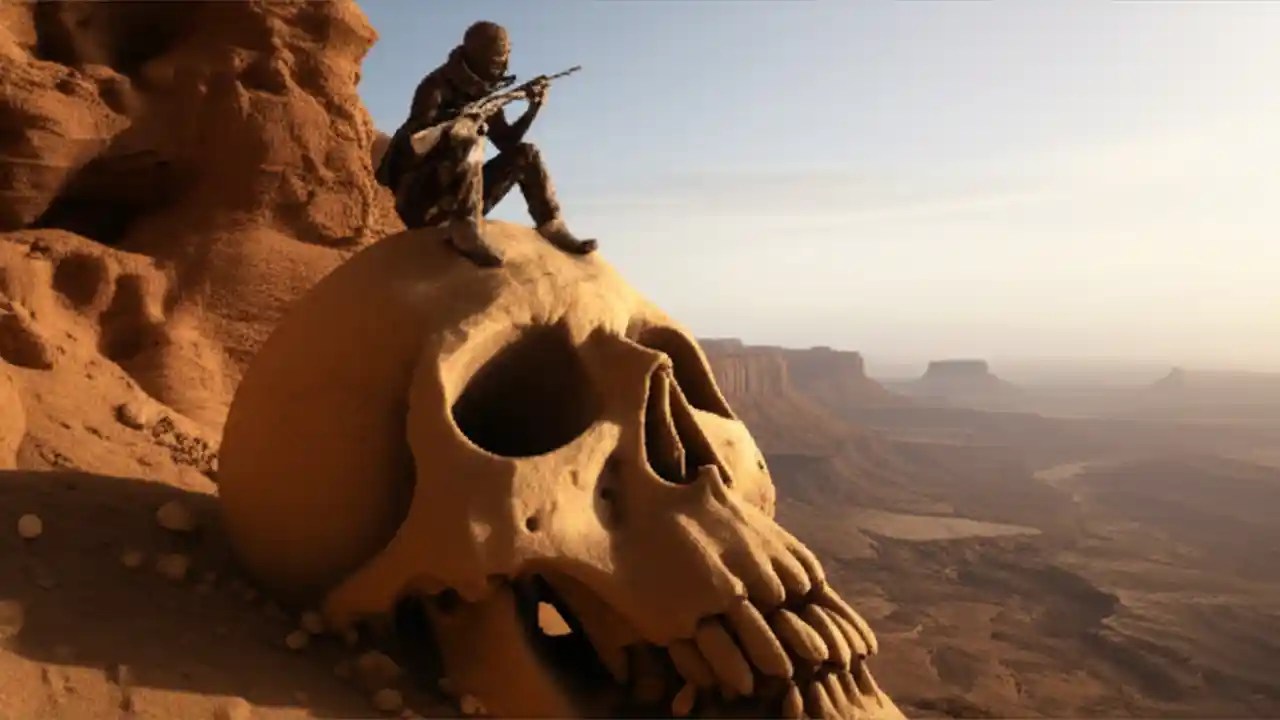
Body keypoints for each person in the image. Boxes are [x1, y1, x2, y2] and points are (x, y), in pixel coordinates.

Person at [375, 21, 597, 267]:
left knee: (527, 154)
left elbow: (506, 142)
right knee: (468, 142)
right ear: (477, 56)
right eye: (496, 59)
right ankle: (465, 231)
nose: (502, 65)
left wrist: (532, 110)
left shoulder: (482, 94)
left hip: (460, 199)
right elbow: (415, 144)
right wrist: (457, 129)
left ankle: (551, 225)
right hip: (423, 202)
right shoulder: (435, 87)